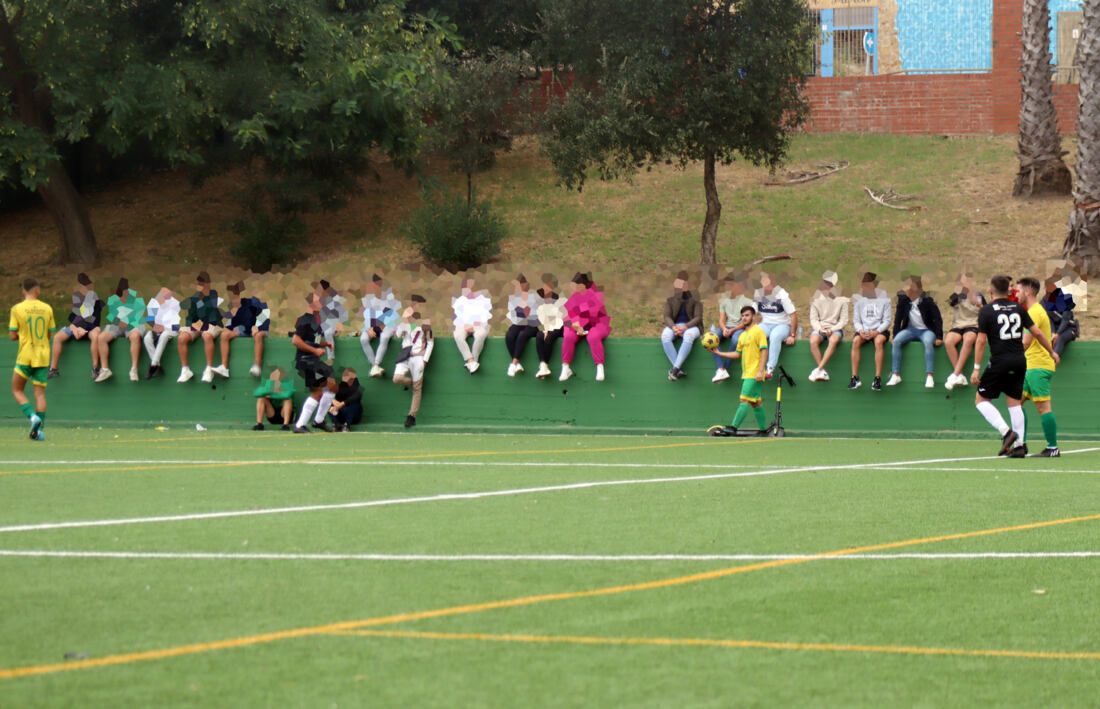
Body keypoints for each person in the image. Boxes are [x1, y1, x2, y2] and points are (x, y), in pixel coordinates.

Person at [971, 275, 1059, 458]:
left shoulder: (987, 310)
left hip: (1005, 360)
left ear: (990, 290)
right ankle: (1019, 446)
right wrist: (1052, 351)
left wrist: (976, 368)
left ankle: (1007, 433)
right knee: (1015, 402)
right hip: (1021, 361)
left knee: (980, 400)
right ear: (1009, 290)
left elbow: (980, 341)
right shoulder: (1018, 308)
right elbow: (1038, 333)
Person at [707, 306, 769, 436]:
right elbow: (737, 354)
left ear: (753, 316)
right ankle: (763, 429)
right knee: (755, 402)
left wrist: (760, 370)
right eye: (743, 316)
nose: (744, 318)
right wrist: (719, 353)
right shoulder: (743, 335)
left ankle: (733, 427)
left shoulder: (758, 332)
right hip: (747, 373)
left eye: (747, 315)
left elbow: (764, 351)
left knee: (744, 400)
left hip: (754, 373)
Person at [1018, 277, 1061, 457]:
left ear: (1028, 291)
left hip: (1038, 366)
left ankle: (1053, 448)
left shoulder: (1034, 312)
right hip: (1031, 365)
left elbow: (1026, 342)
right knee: (1016, 404)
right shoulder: (1033, 311)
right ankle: (1021, 445)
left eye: (1018, 290)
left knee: (1043, 407)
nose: (1016, 294)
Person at [9, 278, 55, 441]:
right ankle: (38, 431)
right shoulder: (47, 308)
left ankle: (32, 416)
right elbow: (50, 334)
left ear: (23, 290)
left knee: (17, 390)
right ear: (37, 290)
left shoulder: (17, 309)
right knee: (40, 394)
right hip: (42, 355)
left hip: (26, 354)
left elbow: (13, 335)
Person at [291, 292, 338, 433]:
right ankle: (300, 425)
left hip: (313, 360)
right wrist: (314, 351)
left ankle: (319, 421)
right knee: (317, 392)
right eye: (320, 301)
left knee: (332, 386)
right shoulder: (305, 320)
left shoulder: (317, 321)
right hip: (306, 361)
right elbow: (296, 340)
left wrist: (325, 344)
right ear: (312, 304)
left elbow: (313, 340)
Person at [887, 276, 943, 388]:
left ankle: (930, 376)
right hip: (910, 330)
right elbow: (898, 319)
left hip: (926, 330)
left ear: (916, 289)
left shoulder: (927, 301)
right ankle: (895, 374)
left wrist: (939, 337)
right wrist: (894, 335)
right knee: (897, 341)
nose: (906, 289)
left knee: (928, 342)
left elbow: (937, 319)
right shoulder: (903, 300)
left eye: (909, 286)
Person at [49, 272, 102, 379]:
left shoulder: (93, 296)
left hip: (91, 328)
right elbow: (74, 316)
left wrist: (83, 329)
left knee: (96, 336)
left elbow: (94, 319)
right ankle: (53, 369)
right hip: (77, 328)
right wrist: (74, 328)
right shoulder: (77, 297)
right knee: (58, 337)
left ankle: (95, 368)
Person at [561, 272, 611, 382]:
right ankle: (565, 367)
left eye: (573, 286)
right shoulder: (574, 298)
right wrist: (574, 326)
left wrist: (579, 324)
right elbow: (565, 319)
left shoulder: (596, 295)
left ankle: (600, 367)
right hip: (580, 328)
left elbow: (591, 313)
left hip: (598, 325)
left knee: (593, 337)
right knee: (568, 336)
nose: (571, 289)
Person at [93, 278, 146, 383]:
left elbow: (139, 317)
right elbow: (111, 317)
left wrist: (128, 322)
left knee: (135, 336)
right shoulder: (113, 300)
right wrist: (119, 322)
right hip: (118, 325)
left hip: (133, 324)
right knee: (101, 337)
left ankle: (134, 369)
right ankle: (105, 369)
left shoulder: (137, 300)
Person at [393, 300, 434, 428]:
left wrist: (425, 359)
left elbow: (431, 342)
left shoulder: (426, 325)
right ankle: (409, 382)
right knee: (397, 378)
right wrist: (403, 320)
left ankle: (412, 416)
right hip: (405, 355)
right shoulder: (405, 325)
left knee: (417, 389)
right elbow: (398, 334)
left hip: (418, 357)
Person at [215, 281, 269, 379]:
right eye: (231, 299)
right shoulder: (232, 311)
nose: (233, 301)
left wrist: (258, 325)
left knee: (258, 335)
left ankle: (257, 366)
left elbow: (265, 311)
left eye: (234, 298)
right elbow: (230, 327)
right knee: (224, 334)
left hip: (258, 330)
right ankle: (224, 367)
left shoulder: (251, 303)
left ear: (239, 295)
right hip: (242, 332)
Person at [177, 271, 224, 383]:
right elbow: (190, 316)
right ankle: (185, 370)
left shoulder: (213, 294)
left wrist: (202, 323)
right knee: (182, 338)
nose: (201, 286)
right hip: (198, 326)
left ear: (208, 284)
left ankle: (208, 369)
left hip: (213, 324)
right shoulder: (194, 298)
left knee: (207, 336)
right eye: (199, 284)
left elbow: (211, 313)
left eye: (203, 283)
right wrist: (192, 324)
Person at [943, 273, 987, 391]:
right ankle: (960, 374)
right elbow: (952, 302)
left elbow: (985, 310)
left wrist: (978, 304)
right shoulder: (956, 296)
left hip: (973, 324)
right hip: (958, 325)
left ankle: (955, 374)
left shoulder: (978, 295)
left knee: (968, 339)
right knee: (948, 341)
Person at [849, 272, 891, 391]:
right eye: (863, 285)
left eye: (868, 285)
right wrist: (861, 330)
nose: (864, 288)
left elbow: (887, 321)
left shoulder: (884, 300)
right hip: (864, 330)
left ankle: (877, 378)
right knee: (856, 341)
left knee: (878, 342)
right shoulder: (859, 300)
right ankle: (855, 378)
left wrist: (877, 331)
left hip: (879, 330)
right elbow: (856, 320)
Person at [710, 273, 754, 383]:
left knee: (735, 339)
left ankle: (725, 369)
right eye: (727, 285)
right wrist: (724, 328)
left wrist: (732, 330)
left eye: (730, 285)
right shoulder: (723, 300)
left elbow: (745, 322)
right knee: (711, 338)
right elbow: (721, 319)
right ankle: (720, 369)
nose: (728, 288)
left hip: (739, 328)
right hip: (727, 327)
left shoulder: (747, 301)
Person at [660, 270, 703, 381]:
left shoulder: (696, 299)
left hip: (692, 327)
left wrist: (685, 327)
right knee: (665, 336)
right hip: (675, 326)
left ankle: (674, 369)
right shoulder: (671, 300)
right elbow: (667, 317)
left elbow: (698, 317)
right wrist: (674, 327)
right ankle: (677, 369)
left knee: (688, 335)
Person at [753, 272, 798, 379]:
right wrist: (752, 325)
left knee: (775, 336)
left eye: (767, 281)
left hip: (782, 324)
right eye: (762, 281)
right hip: (766, 324)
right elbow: (752, 312)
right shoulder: (758, 293)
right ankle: (756, 366)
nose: (765, 284)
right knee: (754, 335)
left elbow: (793, 315)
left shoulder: (782, 294)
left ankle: (770, 368)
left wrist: (792, 335)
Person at [808, 271, 848, 382]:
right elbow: (813, 319)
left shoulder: (842, 300)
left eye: (830, 284)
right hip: (820, 328)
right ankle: (822, 371)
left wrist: (832, 329)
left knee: (833, 340)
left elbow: (843, 321)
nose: (827, 286)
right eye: (825, 283)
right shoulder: (815, 299)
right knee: (813, 341)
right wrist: (821, 329)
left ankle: (818, 369)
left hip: (835, 329)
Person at [359, 274, 401, 378]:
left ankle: (377, 364)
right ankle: (374, 366)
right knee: (363, 339)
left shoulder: (389, 297)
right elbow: (367, 316)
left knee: (384, 337)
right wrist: (369, 329)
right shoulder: (368, 300)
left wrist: (380, 326)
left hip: (388, 324)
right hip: (372, 325)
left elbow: (392, 315)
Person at [452, 277, 492, 374]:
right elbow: (457, 316)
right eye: (466, 288)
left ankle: (474, 361)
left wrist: (474, 324)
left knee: (481, 334)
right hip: (463, 325)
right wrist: (465, 324)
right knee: (457, 335)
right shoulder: (459, 301)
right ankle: (470, 360)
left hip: (478, 325)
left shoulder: (482, 300)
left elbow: (485, 316)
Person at [505, 275, 542, 377]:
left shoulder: (534, 296)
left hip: (532, 325)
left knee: (522, 335)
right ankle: (517, 364)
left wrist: (525, 311)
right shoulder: (512, 299)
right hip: (519, 323)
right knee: (510, 335)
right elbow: (513, 316)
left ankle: (514, 363)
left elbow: (536, 315)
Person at [143, 288, 181, 379]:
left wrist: (166, 327)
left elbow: (176, 323)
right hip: (157, 329)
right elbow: (149, 319)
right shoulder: (153, 304)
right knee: (147, 338)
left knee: (164, 336)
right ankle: (158, 365)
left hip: (171, 329)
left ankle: (153, 365)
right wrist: (155, 327)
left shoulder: (174, 304)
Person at [534, 275, 565, 379]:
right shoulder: (540, 297)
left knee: (549, 337)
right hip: (548, 327)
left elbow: (560, 319)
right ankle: (543, 366)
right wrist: (545, 329)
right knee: (539, 335)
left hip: (559, 327)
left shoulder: (558, 299)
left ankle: (544, 366)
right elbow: (541, 317)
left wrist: (549, 330)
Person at [1043, 273, 1079, 357]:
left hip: (1068, 328)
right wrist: (1052, 333)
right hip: (1054, 330)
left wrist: (1057, 333)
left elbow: (1065, 319)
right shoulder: (1044, 302)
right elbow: (1049, 320)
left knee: (1060, 339)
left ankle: (1053, 360)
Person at [314, 279, 348, 364]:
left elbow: (343, 313)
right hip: (323, 324)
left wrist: (339, 326)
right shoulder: (319, 300)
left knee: (328, 333)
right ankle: (314, 357)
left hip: (334, 323)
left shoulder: (335, 298)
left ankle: (331, 358)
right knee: (315, 336)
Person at [252, 367, 295, 431]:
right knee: (261, 399)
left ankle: (285, 425)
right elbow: (256, 393)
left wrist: (272, 395)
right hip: (272, 414)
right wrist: (268, 391)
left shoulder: (287, 385)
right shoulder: (268, 385)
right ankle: (259, 424)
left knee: (288, 400)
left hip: (284, 414)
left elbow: (287, 395)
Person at [330, 367, 364, 432]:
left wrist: (343, 403)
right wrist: (333, 401)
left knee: (355, 404)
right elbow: (327, 393)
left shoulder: (356, 384)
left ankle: (346, 426)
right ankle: (336, 424)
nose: (350, 380)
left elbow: (358, 395)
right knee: (328, 403)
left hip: (353, 415)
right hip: (339, 412)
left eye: (352, 379)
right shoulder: (337, 383)